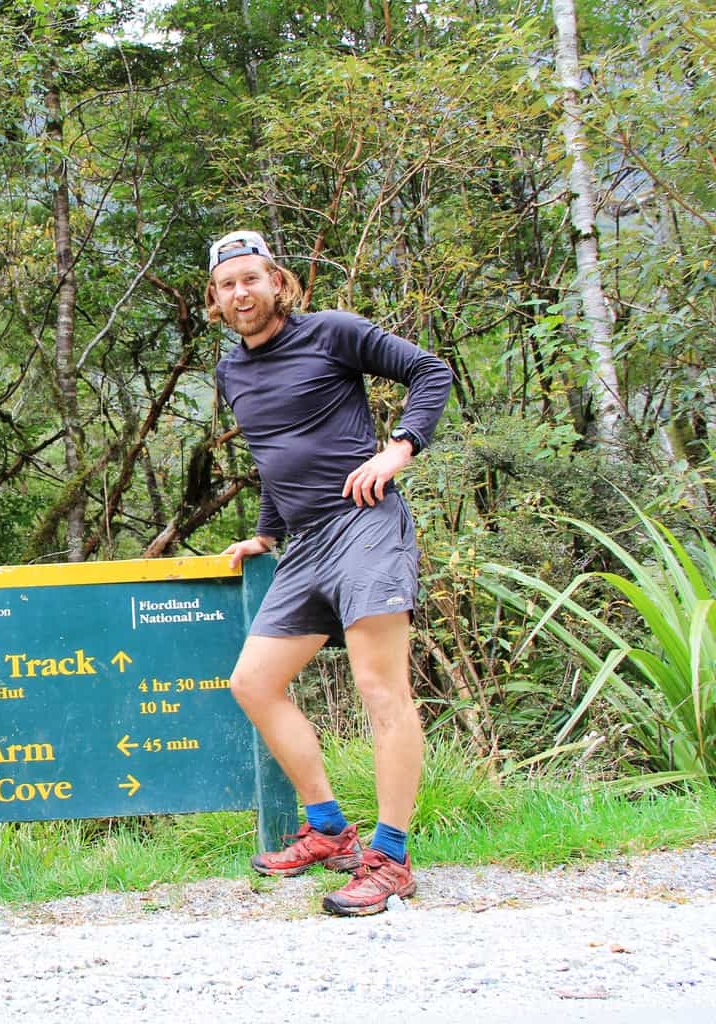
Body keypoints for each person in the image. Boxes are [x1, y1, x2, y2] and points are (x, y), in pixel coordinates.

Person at [209, 230, 453, 916]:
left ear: (277, 282)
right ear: (216, 299)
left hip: (367, 526)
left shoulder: (333, 333)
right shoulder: (232, 371)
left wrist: (398, 450)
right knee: (254, 683)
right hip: (305, 544)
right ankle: (328, 832)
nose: (241, 293)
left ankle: (391, 859)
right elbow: (274, 453)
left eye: (252, 279)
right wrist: (266, 532)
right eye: (228, 285)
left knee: (382, 691)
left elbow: (431, 371)